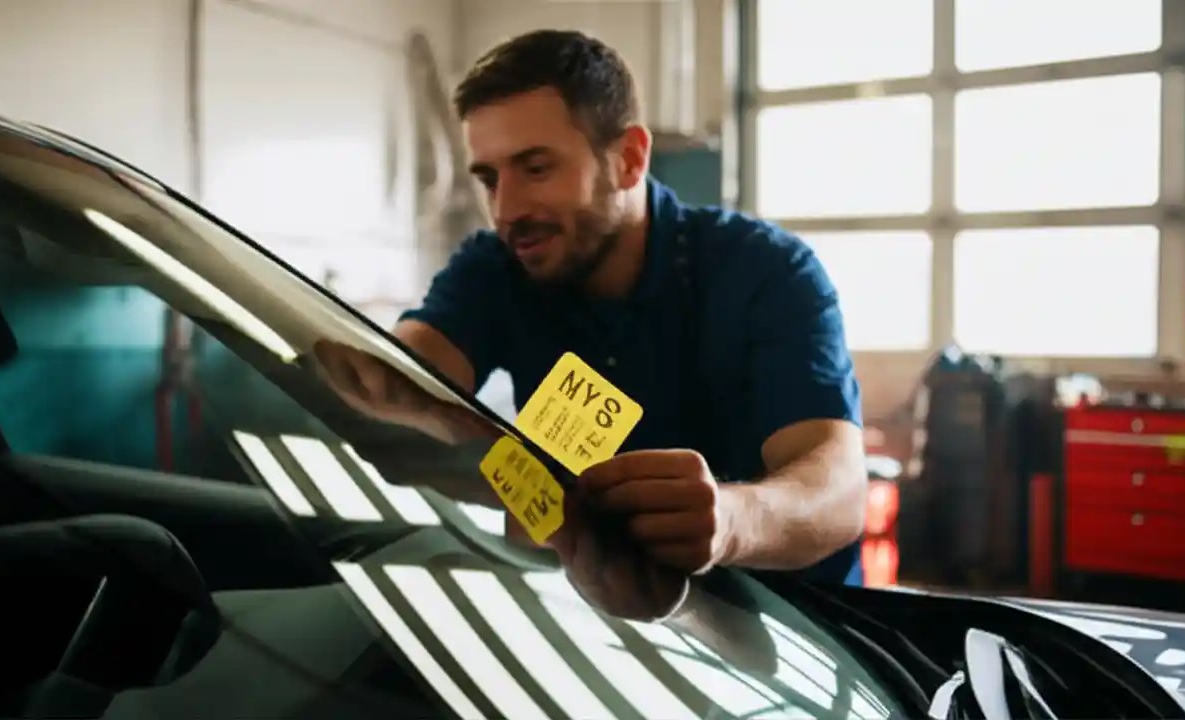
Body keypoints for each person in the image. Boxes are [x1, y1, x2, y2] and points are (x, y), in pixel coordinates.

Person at [316, 29, 868, 588]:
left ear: (628, 159)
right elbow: (397, 385)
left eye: (536, 169)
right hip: (596, 634)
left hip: (795, 636)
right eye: (489, 178)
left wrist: (731, 522)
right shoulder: (497, 267)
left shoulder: (765, 272)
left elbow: (839, 493)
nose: (506, 210)